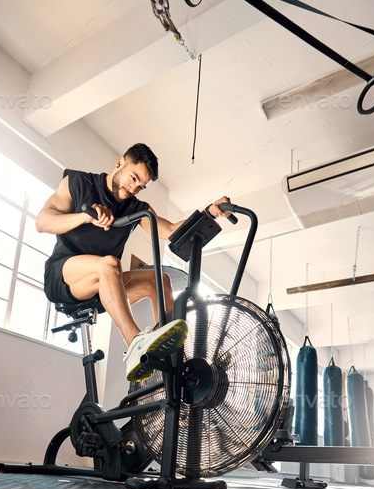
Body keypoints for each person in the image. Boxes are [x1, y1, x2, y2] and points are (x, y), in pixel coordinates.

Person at [36, 143, 230, 381]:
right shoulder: (79, 183)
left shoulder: (137, 208)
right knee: (109, 264)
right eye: (133, 178)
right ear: (120, 163)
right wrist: (84, 217)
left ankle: (179, 357)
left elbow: (169, 230)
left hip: (104, 286)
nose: (134, 188)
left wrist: (209, 212)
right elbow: (42, 222)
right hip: (62, 276)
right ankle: (135, 345)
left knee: (159, 279)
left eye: (141, 186)